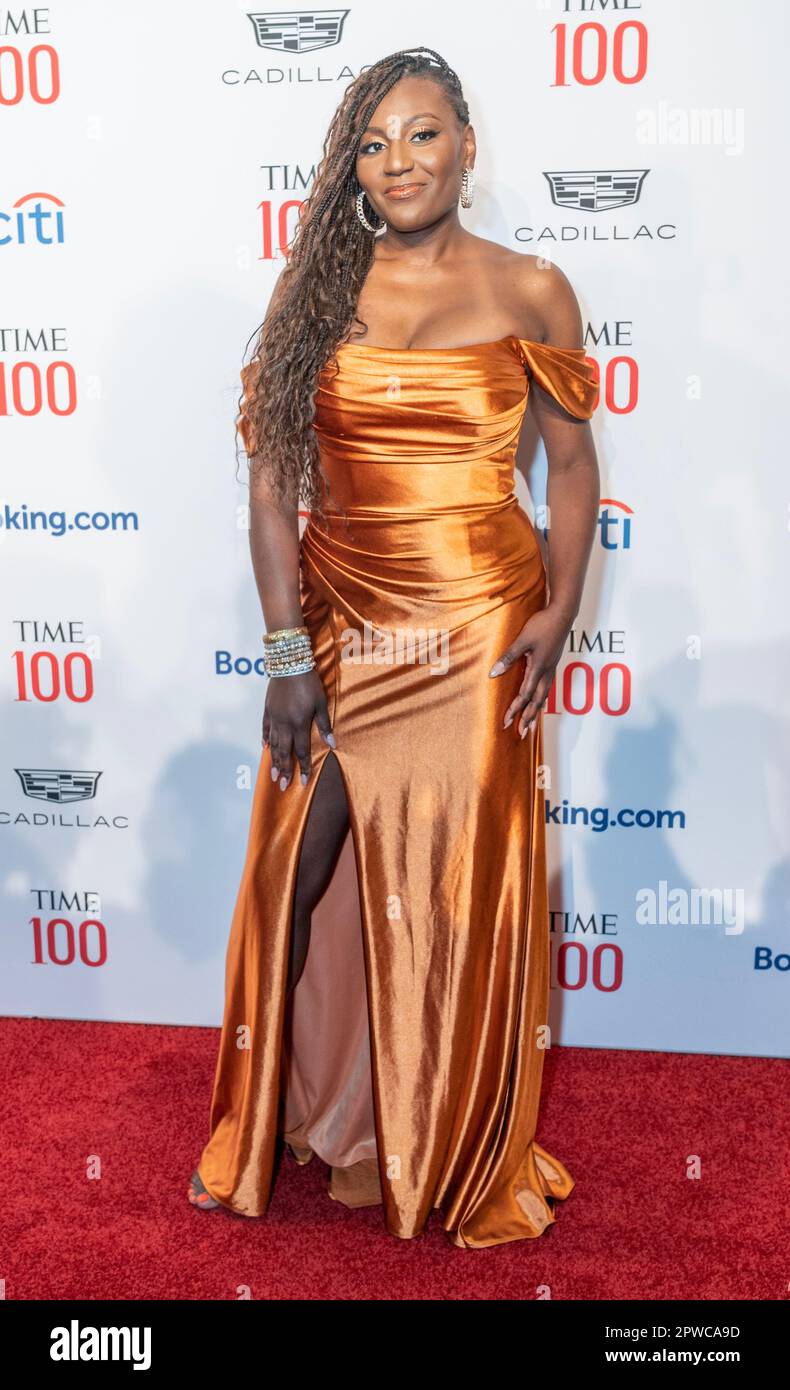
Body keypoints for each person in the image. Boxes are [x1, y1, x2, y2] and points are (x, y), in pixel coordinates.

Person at [188, 45, 600, 1249]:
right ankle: (277, 1114)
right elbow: (271, 486)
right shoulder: (316, 287)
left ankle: (448, 1135)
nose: (398, 161)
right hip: (339, 620)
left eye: (421, 134)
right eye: (372, 142)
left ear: (467, 144)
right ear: (349, 165)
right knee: (295, 872)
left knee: (448, 897)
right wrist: (284, 653)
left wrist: (558, 612)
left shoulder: (533, 288)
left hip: (476, 626)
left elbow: (571, 471)